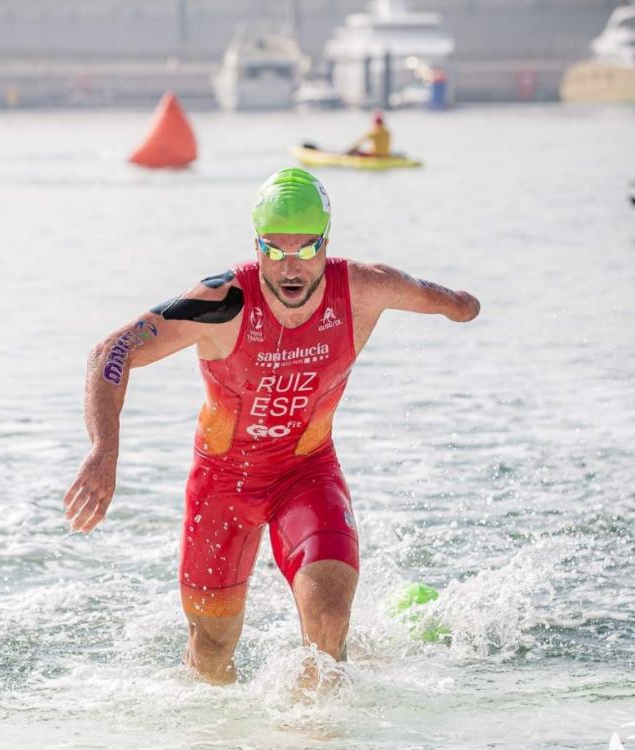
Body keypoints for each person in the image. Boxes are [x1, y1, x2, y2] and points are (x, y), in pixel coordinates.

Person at [63, 168, 480, 685]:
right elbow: (112, 350)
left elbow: (446, 300)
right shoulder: (222, 302)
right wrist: (104, 451)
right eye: (274, 250)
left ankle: (314, 747)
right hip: (222, 486)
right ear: (255, 244)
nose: (290, 268)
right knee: (211, 654)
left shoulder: (365, 288)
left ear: (326, 243)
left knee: (328, 621)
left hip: (307, 475)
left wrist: (461, 306)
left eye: (306, 250)